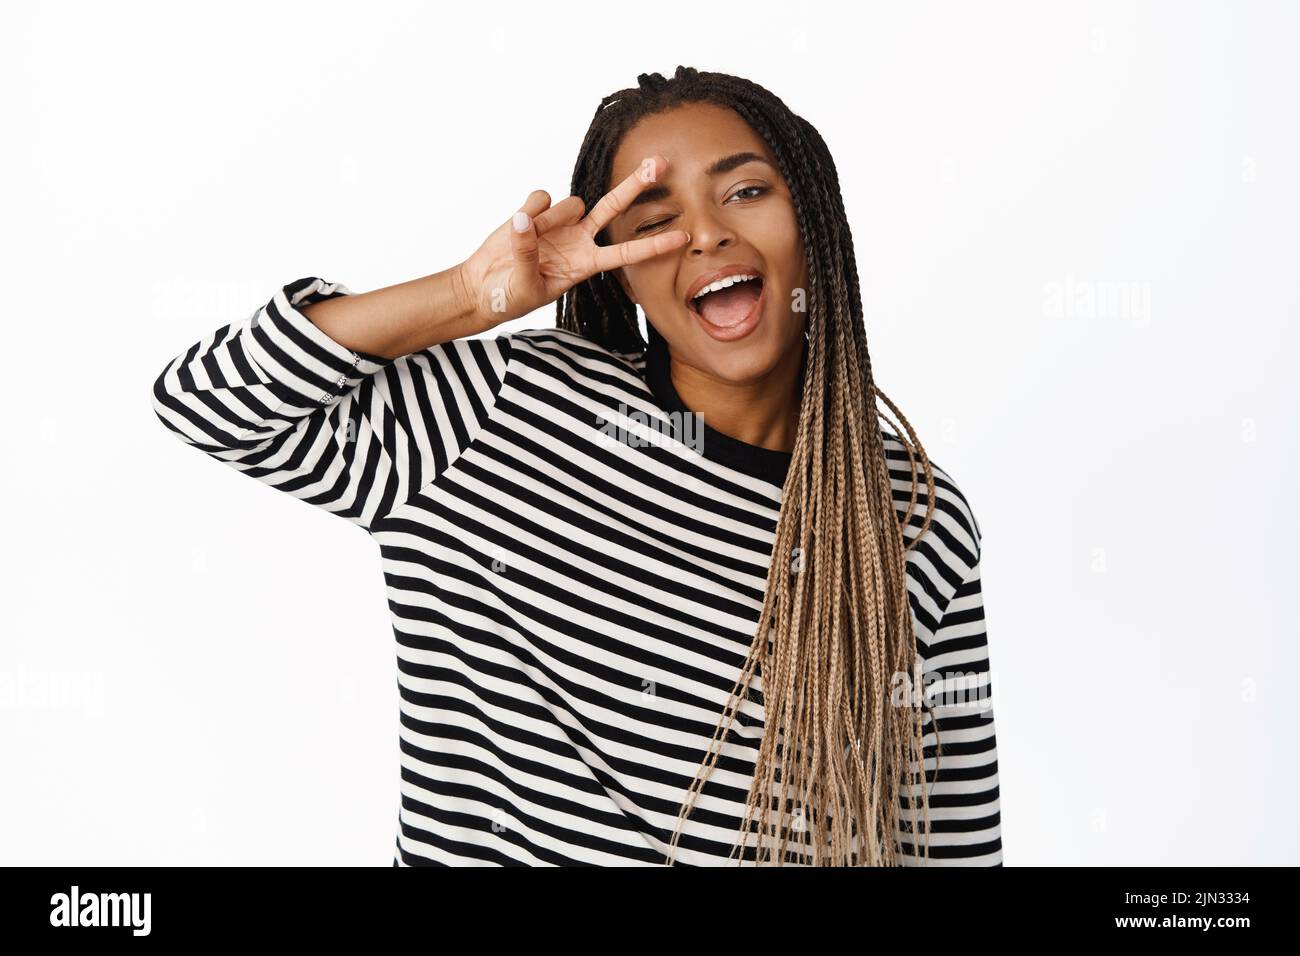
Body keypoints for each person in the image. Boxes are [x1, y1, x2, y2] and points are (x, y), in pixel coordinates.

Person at [150, 66, 1002, 866]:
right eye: (655, 220)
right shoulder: (500, 411)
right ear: (622, 270)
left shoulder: (913, 514)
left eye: (747, 191)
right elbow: (207, 400)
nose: (707, 233)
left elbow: (954, 836)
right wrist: (465, 293)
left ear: (814, 222)